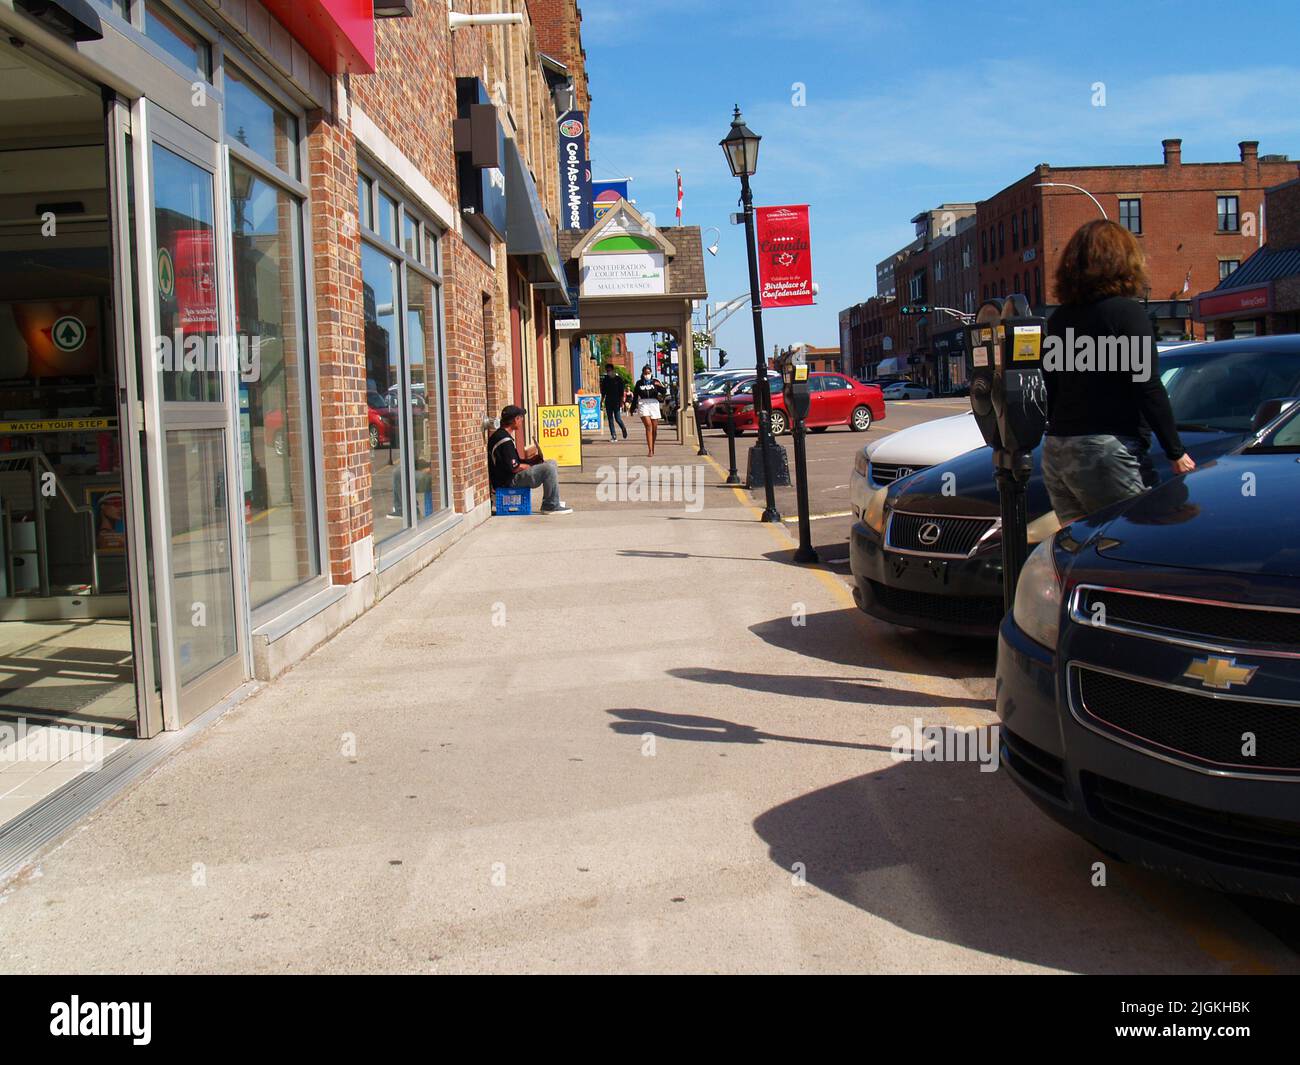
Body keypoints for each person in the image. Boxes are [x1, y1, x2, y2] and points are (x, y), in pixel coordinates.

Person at [1042, 219, 1195, 525]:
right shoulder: (1125, 313)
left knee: (1081, 548)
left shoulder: (1059, 319)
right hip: (1108, 448)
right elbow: (1147, 385)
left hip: (1058, 450)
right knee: (1132, 541)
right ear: (1123, 261)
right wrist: (1175, 451)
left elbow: (1053, 384)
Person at [488, 405, 572, 514]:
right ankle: (550, 506)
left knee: (551, 462)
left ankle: (553, 499)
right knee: (548, 468)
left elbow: (514, 462)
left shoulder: (502, 435)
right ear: (515, 419)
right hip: (508, 482)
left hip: (509, 477)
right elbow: (514, 468)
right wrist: (530, 466)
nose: (522, 420)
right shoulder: (504, 441)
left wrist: (533, 461)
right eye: (520, 417)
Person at [630, 366, 667, 457]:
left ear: (651, 373)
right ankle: (650, 450)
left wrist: (659, 386)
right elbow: (635, 396)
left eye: (648, 373)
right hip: (643, 403)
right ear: (642, 374)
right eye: (645, 373)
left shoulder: (655, 381)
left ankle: (652, 446)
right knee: (648, 426)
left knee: (654, 429)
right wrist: (632, 408)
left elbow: (664, 391)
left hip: (654, 403)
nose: (647, 375)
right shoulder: (639, 383)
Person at [599, 363, 628, 442]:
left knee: (617, 418)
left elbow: (621, 392)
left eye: (610, 370)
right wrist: (601, 401)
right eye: (607, 370)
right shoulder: (605, 380)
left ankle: (623, 428)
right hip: (608, 401)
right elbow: (603, 392)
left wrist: (622, 402)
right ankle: (613, 435)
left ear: (613, 370)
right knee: (610, 419)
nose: (609, 372)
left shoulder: (618, 379)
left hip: (616, 401)